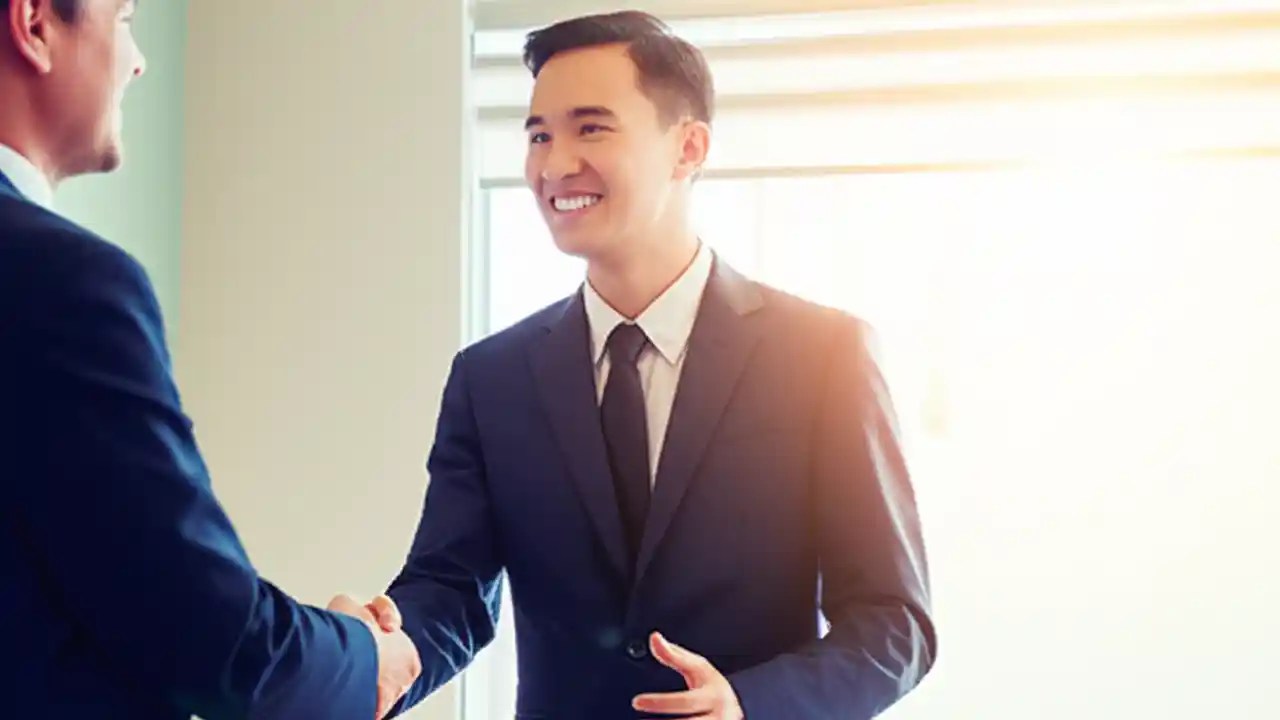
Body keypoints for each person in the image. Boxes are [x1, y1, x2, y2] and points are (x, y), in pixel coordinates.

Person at [342, 10, 936, 719]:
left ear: (688, 148)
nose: (555, 164)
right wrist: (379, 653)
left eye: (591, 128)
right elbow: (450, 589)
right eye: (538, 134)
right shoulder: (490, 379)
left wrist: (751, 704)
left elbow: (893, 623)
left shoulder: (824, 356)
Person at [0, 1, 421, 717]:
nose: (137, 61)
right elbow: (219, 649)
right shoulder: (62, 282)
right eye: (125, 17)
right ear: (35, 23)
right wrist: (366, 656)